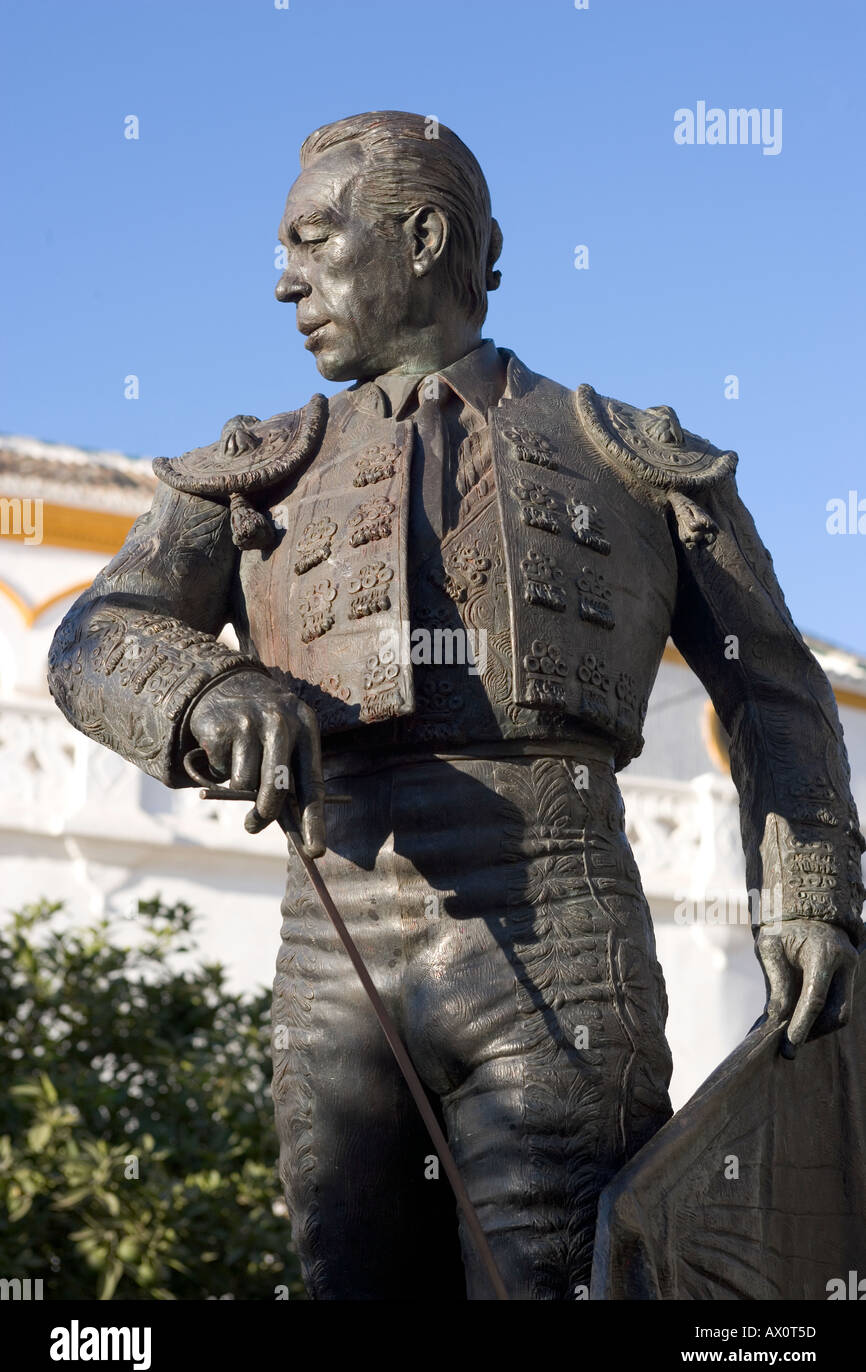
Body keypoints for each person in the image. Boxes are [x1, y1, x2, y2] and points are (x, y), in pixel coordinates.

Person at [48, 111, 863, 1301]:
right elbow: (93, 633)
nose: (284, 283)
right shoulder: (252, 469)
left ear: (423, 237)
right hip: (335, 933)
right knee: (347, 1277)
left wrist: (806, 897)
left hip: (558, 914)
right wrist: (207, 689)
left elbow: (774, 693)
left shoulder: (630, 456)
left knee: (550, 1273)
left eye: (313, 241)